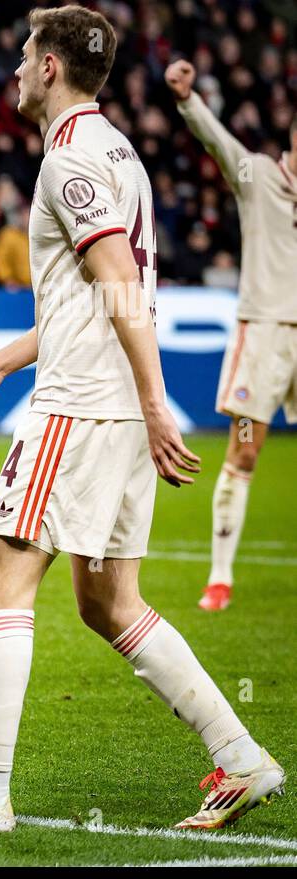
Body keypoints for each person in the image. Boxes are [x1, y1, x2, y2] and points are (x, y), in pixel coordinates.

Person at [0, 6, 283, 834]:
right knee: (108, 601)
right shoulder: (120, 154)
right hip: (110, 407)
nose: (18, 69)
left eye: (28, 54)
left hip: (82, 406)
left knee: (1, 574)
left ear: (52, 69)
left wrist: (151, 399)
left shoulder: (67, 160)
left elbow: (117, 287)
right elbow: (90, 295)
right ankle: (242, 758)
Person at [165, 58, 297, 612]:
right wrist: (190, 100)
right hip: (266, 330)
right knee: (245, 453)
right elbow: (219, 143)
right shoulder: (261, 175)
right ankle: (220, 578)